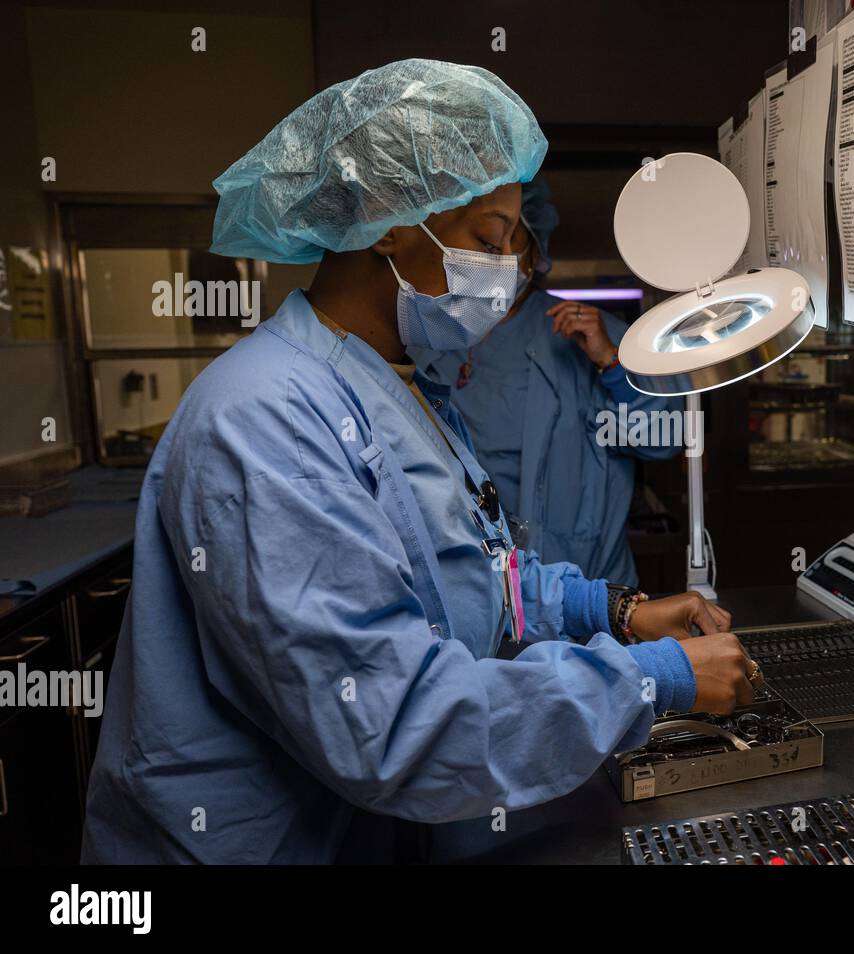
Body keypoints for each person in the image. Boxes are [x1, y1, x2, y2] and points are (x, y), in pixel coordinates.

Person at [81, 59, 759, 864]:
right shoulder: (266, 421)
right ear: (387, 221)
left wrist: (609, 612)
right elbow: (392, 725)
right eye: (486, 241)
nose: (504, 274)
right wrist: (652, 679)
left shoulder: (403, 388)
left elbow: (473, 575)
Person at [422, 178, 681, 585]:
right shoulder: (436, 334)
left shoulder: (589, 335)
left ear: (532, 253)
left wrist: (610, 364)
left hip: (584, 586)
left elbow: (664, 438)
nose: (494, 253)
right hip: (476, 583)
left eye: (508, 238)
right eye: (483, 239)